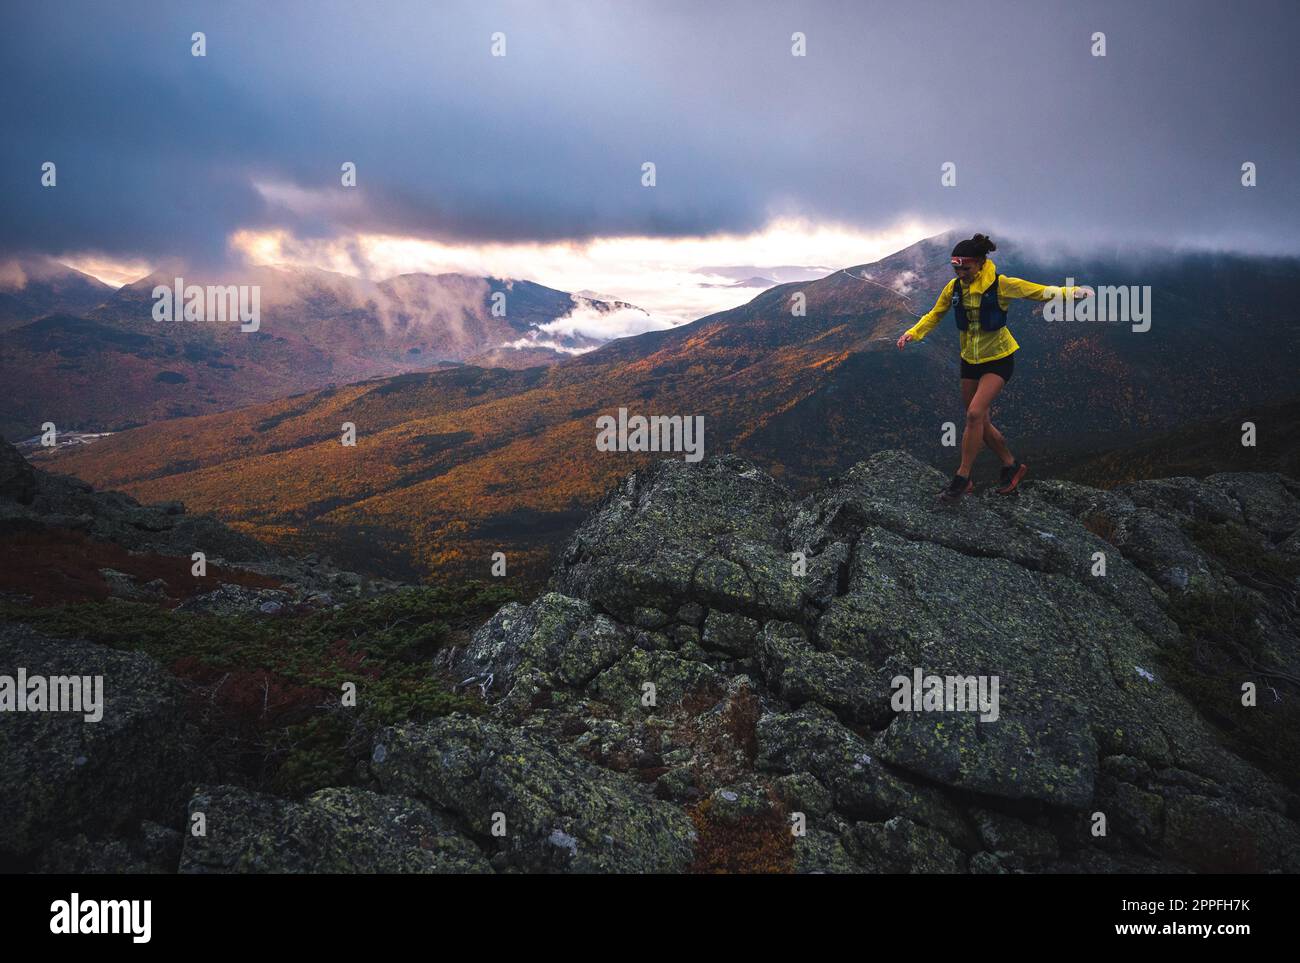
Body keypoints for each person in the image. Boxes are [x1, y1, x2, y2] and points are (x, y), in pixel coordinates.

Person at [895, 233, 1093, 504]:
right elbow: (935, 314)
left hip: (999, 359)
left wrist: (1074, 293)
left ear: (979, 263)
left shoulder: (1001, 285)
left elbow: (1039, 292)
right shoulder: (954, 289)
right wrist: (912, 334)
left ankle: (962, 478)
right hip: (970, 361)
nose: (961, 273)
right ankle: (1011, 465)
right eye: (957, 268)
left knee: (974, 414)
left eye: (966, 268)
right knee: (981, 422)